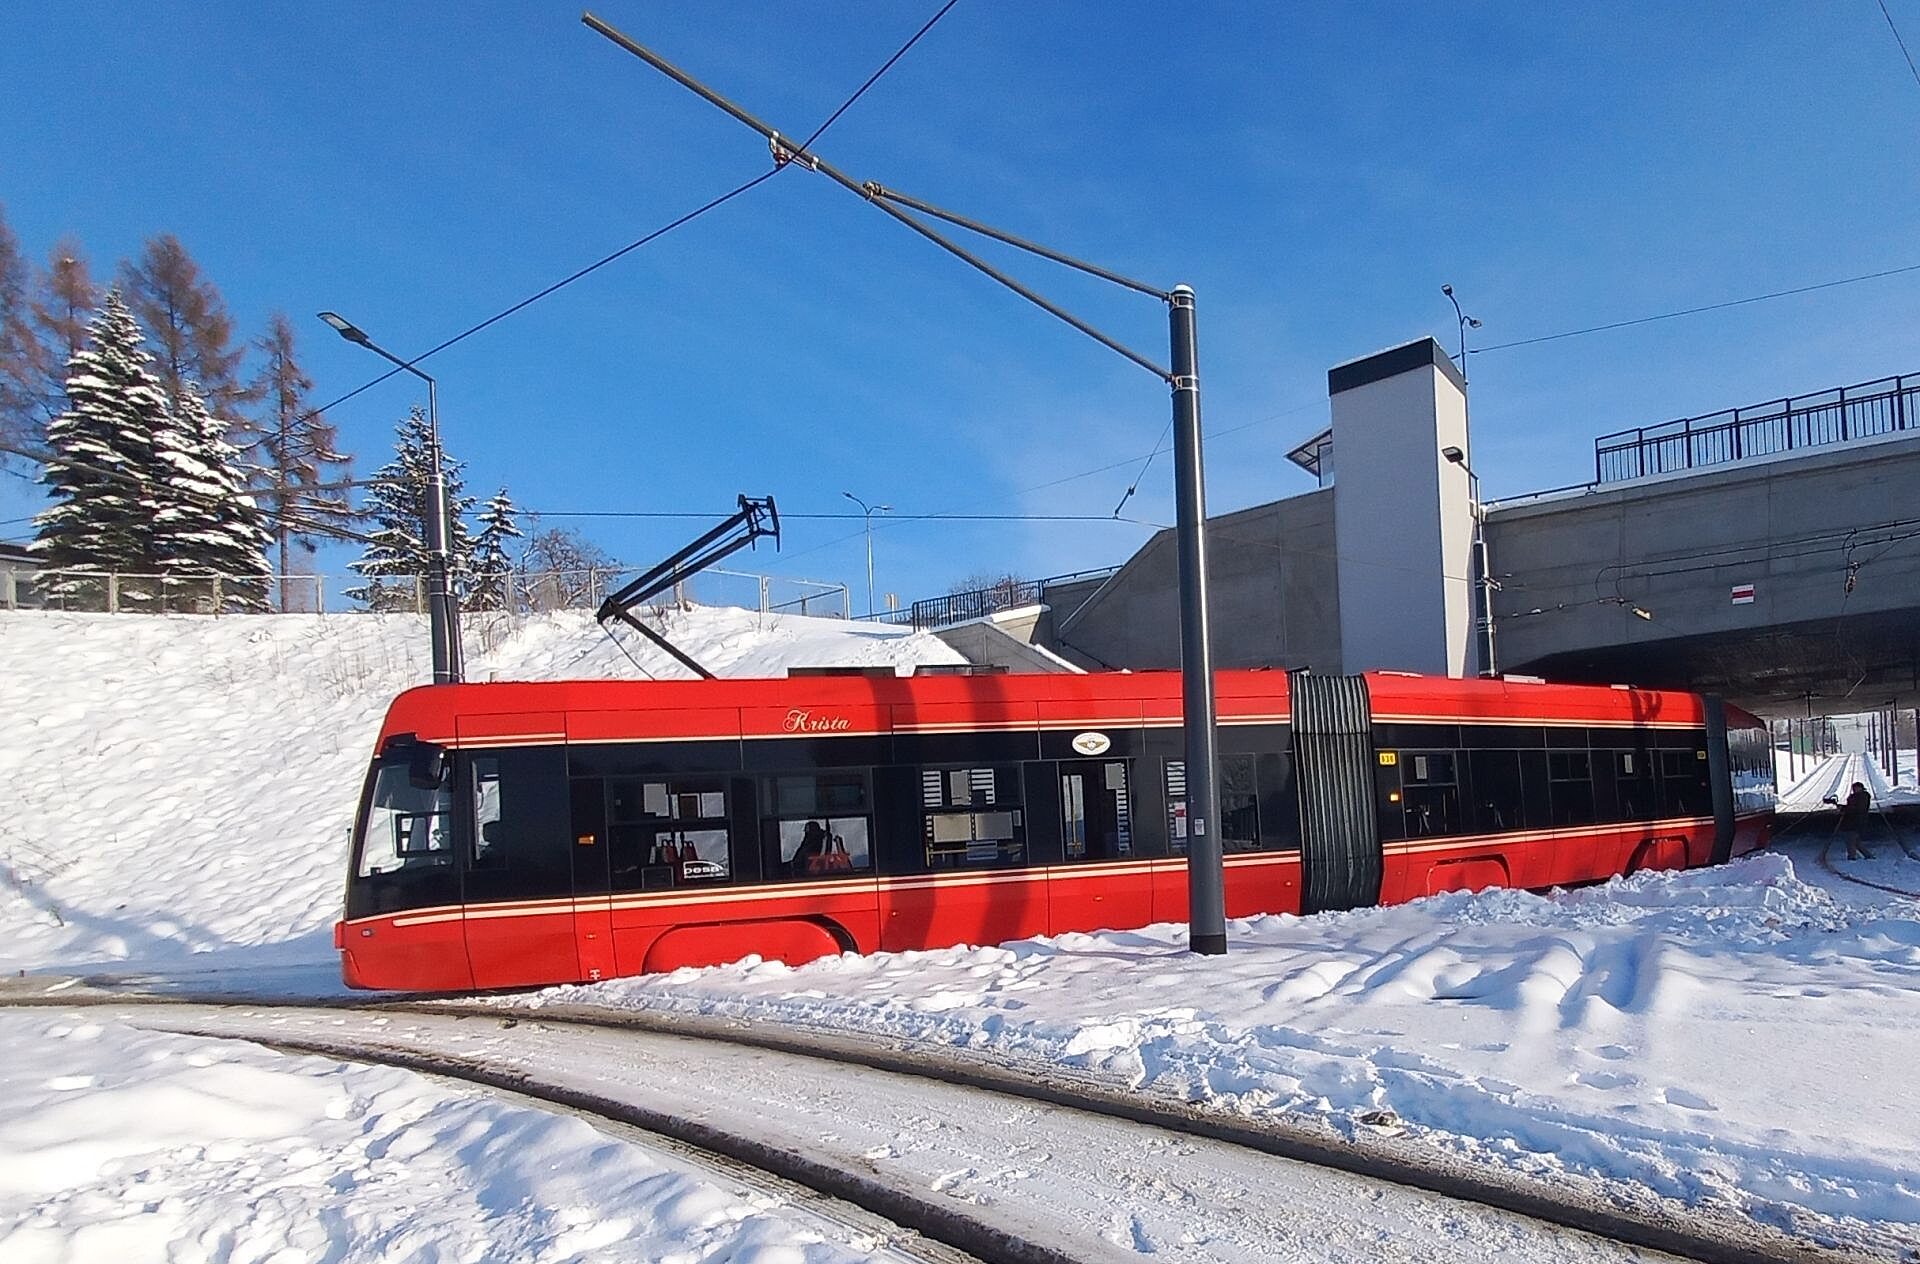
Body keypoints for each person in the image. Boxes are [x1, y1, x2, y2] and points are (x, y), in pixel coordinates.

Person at [1839, 781, 1875, 861]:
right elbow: (1852, 807)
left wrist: (1845, 809)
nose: (1855, 790)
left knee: (1850, 839)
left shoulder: (1862, 797)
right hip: (1854, 820)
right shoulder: (1857, 796)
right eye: (1854, 788)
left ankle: (1852, 857)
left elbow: (1856, 809)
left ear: (1861, 788)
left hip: (1856, 821)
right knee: (1855, 841)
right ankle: (1868, 855)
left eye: (1857, 788)